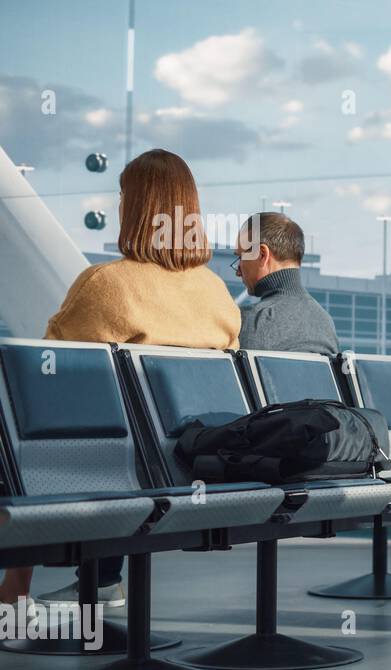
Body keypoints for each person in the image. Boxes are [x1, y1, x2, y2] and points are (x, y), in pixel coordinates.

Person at [0, 149, 240, 610]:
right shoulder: (216, 292)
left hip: (121, 468)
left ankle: (15, 592)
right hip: (192, 465)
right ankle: (91, 582)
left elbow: (49, 367)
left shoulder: (109, 283)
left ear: (134, 209)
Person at [233, 212, 339, 355]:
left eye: (240, 257)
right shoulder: (325, 322)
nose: (238, 271)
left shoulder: (251, 321)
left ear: (262, 255)